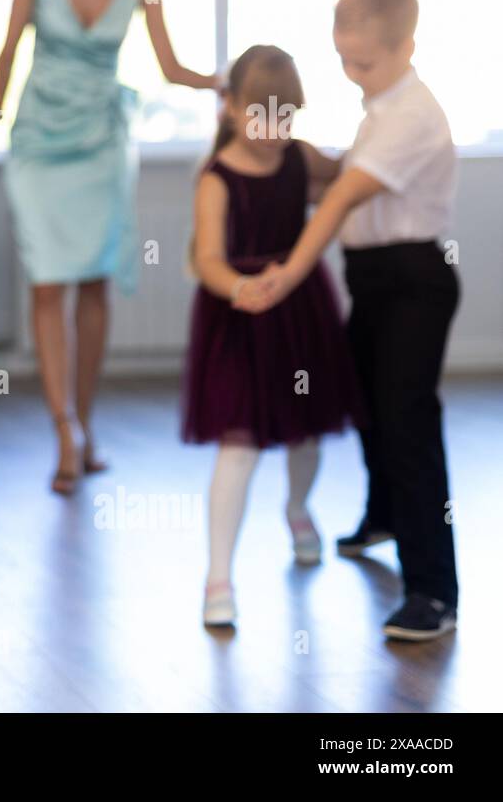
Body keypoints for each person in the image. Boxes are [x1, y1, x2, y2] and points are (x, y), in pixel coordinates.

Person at [0, 0, 219, 493]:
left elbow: (170, 67)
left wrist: (228, 81)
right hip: (39, 140)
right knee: (48, 281)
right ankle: (64, 432)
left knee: (93, 285)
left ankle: (86, 424)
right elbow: (9, 47)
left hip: (102, 142)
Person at [237, 0, 460, 641]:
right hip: (372, 280)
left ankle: (433, 592)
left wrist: (283, 276)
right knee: (365, 402)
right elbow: (333, 172)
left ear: (406, 45)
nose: (352, 73)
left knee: (408, 423)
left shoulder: (414, 114)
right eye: (342, 60)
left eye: (363, 62)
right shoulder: (380, 110)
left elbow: (339, 200)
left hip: (413, 282)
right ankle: (383, 513)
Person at [182, 44, 365, 627]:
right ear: (231, 107)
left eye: (286, 117)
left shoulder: (299, 158)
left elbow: (350, 173)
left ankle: (297, 507)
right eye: (263, 116)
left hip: (299, 311)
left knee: (306, 434)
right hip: (237, 319)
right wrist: (238, 288)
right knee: (238, 447)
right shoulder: (216, 180)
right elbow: (207, 258)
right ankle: (218, 576)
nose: (274, 130)